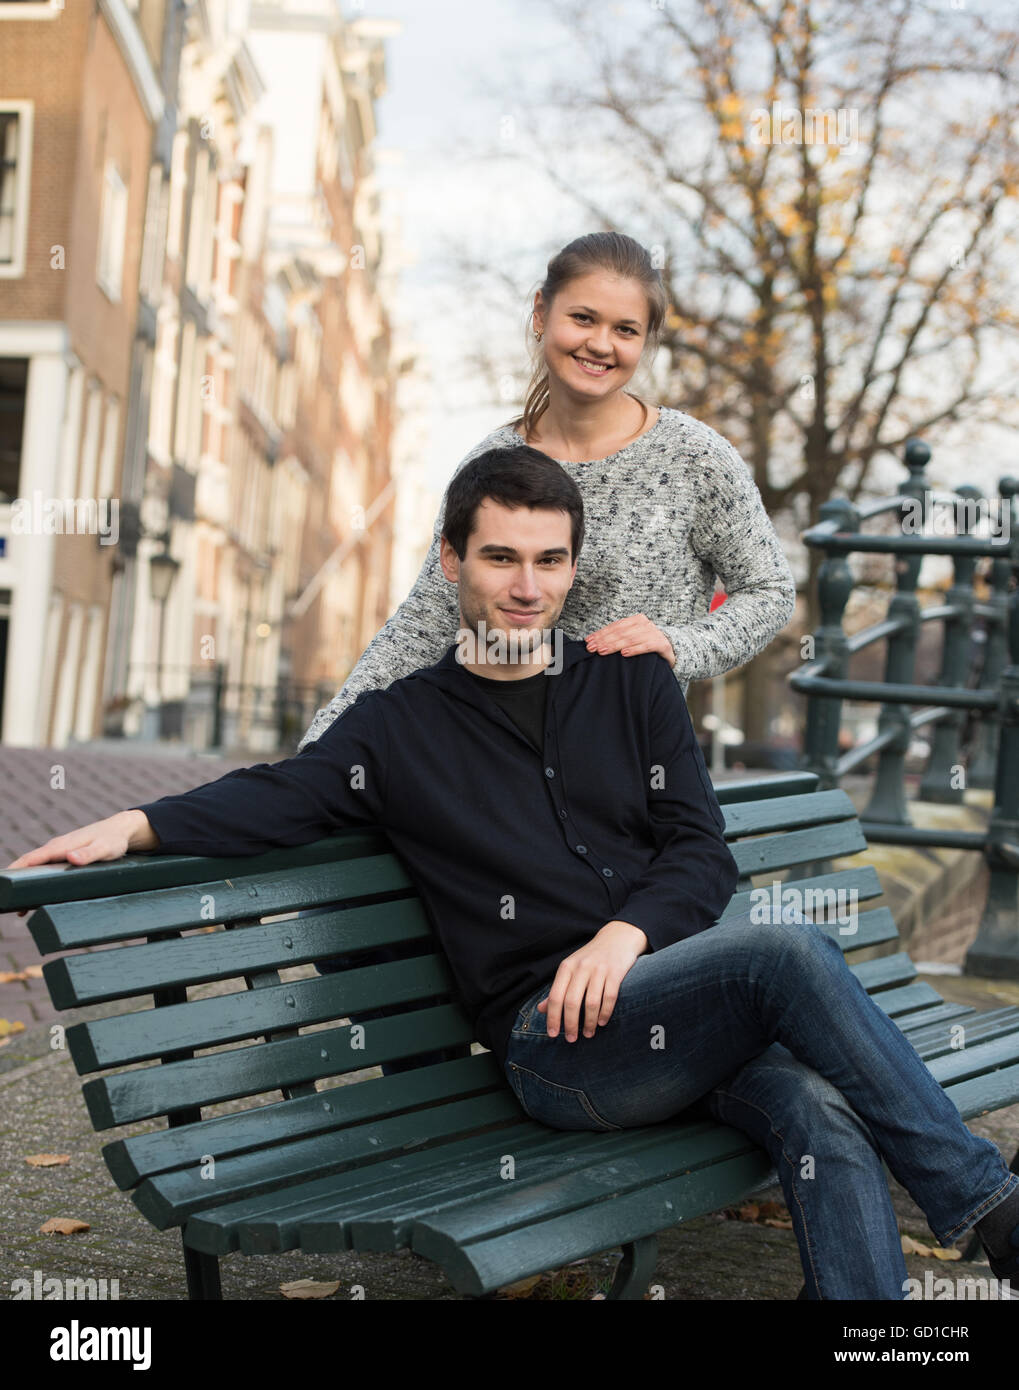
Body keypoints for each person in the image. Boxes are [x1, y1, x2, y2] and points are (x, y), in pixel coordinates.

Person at [8, 449, 1019, 1301]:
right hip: (560, 1049)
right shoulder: (397, 729)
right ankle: (987, 1208)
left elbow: (698, 848)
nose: (524, 585)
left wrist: (625, 934)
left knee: (815, 1106)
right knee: (789, 953)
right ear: (450, 561)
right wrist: (135, 823)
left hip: (673, 1019)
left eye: (547, 560)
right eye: (498, 557)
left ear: (572, 567)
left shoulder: (628, 682)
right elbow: (280, 793)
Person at [299, 229, 798, 1073]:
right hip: (507, 779)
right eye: (581, 318)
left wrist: (676, 644)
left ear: (646, 341)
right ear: (540, 315)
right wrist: (323, 749)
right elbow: (424, 621)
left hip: (628, 775)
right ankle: (430, 1095)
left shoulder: (693, 458)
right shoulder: (496, 461)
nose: (600, 344)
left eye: (626, 329)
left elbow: (767, 593)